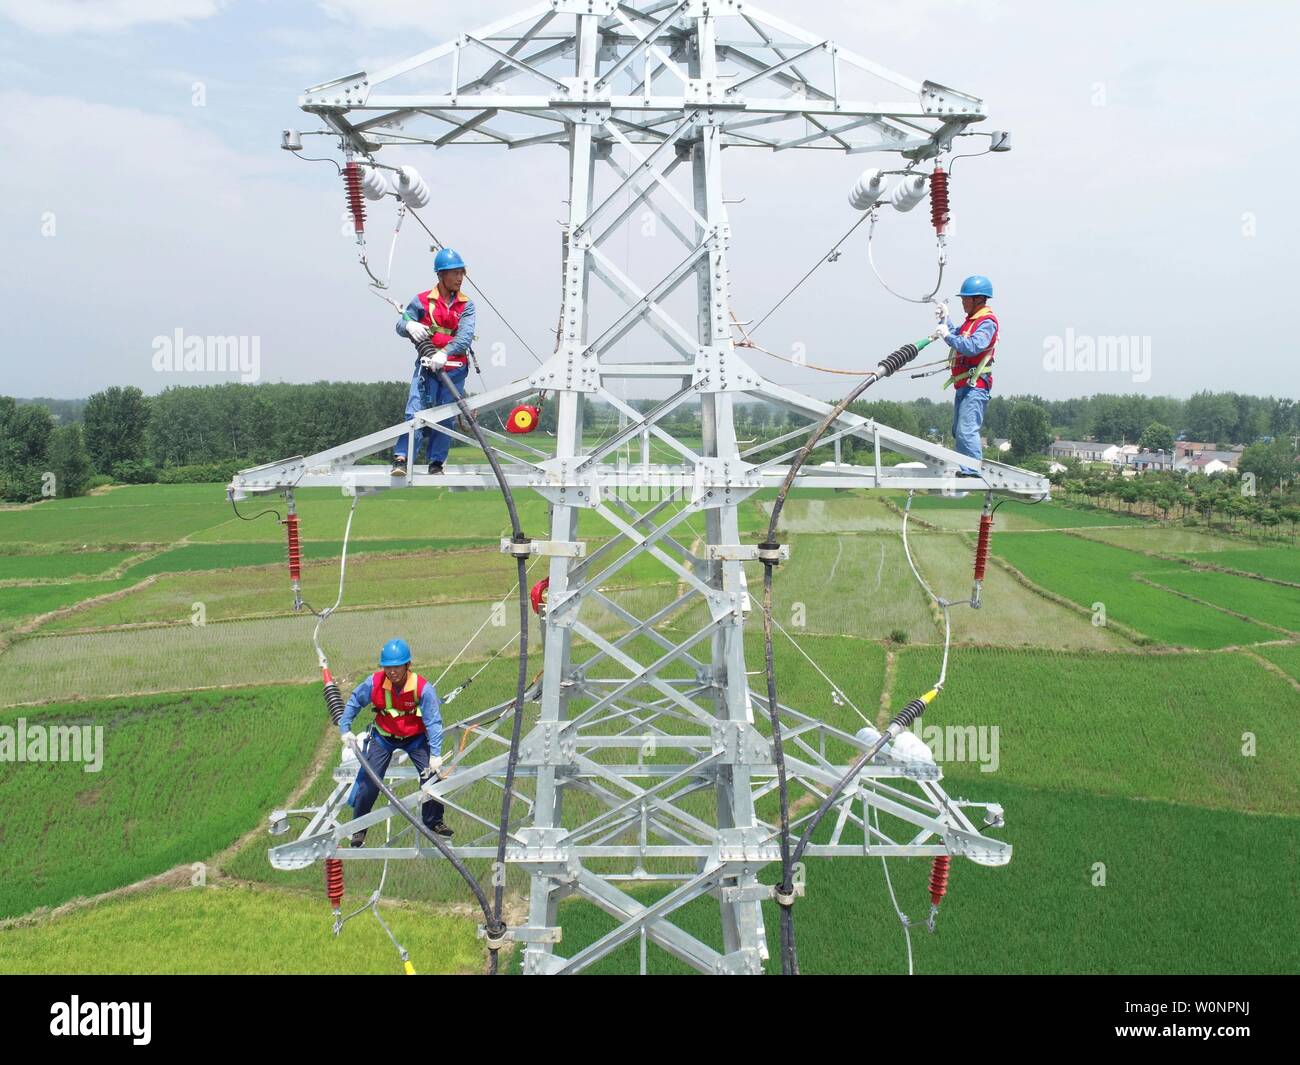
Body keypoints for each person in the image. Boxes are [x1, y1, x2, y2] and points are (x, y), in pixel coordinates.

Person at [339, 637, 453, 846]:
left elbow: (434, 722)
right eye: (387, 667)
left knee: (432, 778)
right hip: (384, 737)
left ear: (407, 665)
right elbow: (355, 701)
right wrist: (345, 728)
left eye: (397, 666)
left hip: (415, 738)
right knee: (369, 783)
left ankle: (434, 821)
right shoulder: (374, 683)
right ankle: (359, 829)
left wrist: (435, 754)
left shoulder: (422, 688)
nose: (392, 671)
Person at [392, 248, 476, 476]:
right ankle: (402, 458)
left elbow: (465, 337)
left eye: (462, 273)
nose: (459, 278)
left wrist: (445, 353)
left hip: (454, 370)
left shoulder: (466, 305)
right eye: (454, 273)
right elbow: (400, 325)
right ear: (441, 276)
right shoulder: (421, 301)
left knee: (445, 416)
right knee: (414, 411)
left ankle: (436, 463)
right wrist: (409, 325)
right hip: (427, 368)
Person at [933, 274, 999, 478]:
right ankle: (966, 468)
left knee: (966, 430)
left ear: (978, 299)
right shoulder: (971, 322)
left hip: (976, 386)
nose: (963, 303)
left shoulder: (986, 322)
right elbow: (955, 334)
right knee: (957, 430)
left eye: (965, 299)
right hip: (963, 386)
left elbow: (972, 346)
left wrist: (946, 335)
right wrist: (945, 319)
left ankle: (973, 470)